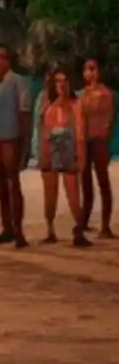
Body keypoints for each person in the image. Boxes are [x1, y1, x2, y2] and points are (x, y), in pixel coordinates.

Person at [0, 44, 31, 248]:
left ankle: (18, 230)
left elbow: (25, 113)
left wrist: (25, 143)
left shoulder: (18, 82)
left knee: (13, 184)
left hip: (11, 138)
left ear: (9, 60)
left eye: (2, 57)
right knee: (0, 184)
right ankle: (6, 227)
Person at [38, 66, 90, 247]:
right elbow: (43, 131)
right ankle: (50, 230)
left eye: (63, 81)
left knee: (73, 190)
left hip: (68, 144)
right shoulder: (48, 105)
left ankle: (79, 229)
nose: (60, 84)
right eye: (57, 81)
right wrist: (42, 155)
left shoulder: (76, 104)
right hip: (51, 145)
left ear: (69, 83)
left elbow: (80, 131)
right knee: (50, 191)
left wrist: (80, 155)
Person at [79, 57, 114, 238]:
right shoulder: (82, 94)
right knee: (85, 182)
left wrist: (106, 140)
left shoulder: (104, 94)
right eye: (86, 69)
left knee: (102, 181)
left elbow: (109, 119)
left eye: (92, 69)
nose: (89, 73)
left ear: (98, 71)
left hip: (98, 139)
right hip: (85, 140)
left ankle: (106, 226)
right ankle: (84, 221)